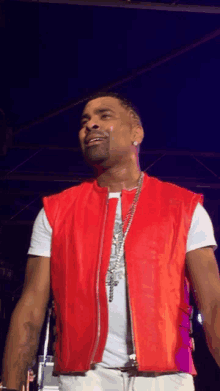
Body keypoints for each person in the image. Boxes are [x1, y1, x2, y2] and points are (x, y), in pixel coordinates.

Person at [1, 91, 220, 391]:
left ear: (136, 133)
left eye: (105, 116)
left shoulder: (184, 207)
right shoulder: (56, 212)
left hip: (165, 378)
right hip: (82, 379)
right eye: (84, 121)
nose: (90, 125)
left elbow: (214, 306)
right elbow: (30, 310)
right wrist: (10, 386)